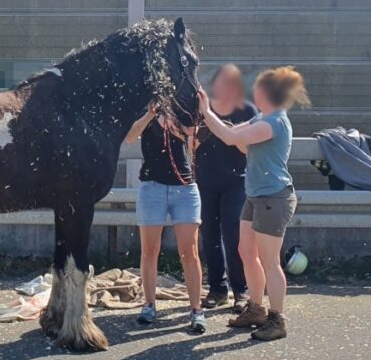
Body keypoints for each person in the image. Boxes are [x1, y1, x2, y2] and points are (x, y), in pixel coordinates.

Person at [197, 67, 310, 341]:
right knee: (247, 252)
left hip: (274, 198)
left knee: (270, 261)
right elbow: (236, 137)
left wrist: (205, 111)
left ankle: (277, 319)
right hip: (255, 195)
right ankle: (256, 310)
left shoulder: (274, 123)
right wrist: (211, 121)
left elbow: (231, 138)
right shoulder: (262, 118)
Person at [125, 107, 205, 334]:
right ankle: (149, 305)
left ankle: (197, 310)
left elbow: (195, 143)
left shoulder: (184, 110)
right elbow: (130, 137)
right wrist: (150, 114)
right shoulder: (146, 109)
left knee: (189, 251)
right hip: (152, 187)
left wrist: (178, 126)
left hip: (185, 188)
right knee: (149, 249)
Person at [194, 64, 256, 314]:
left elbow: (246, 148)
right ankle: (217, 288)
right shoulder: (201, 111)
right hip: (205, 182)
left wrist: (225, 129)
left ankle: (241, 290)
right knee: (209, 236)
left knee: (234, 237)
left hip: (235, 183)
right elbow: (191, 145)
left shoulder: (247, 111)